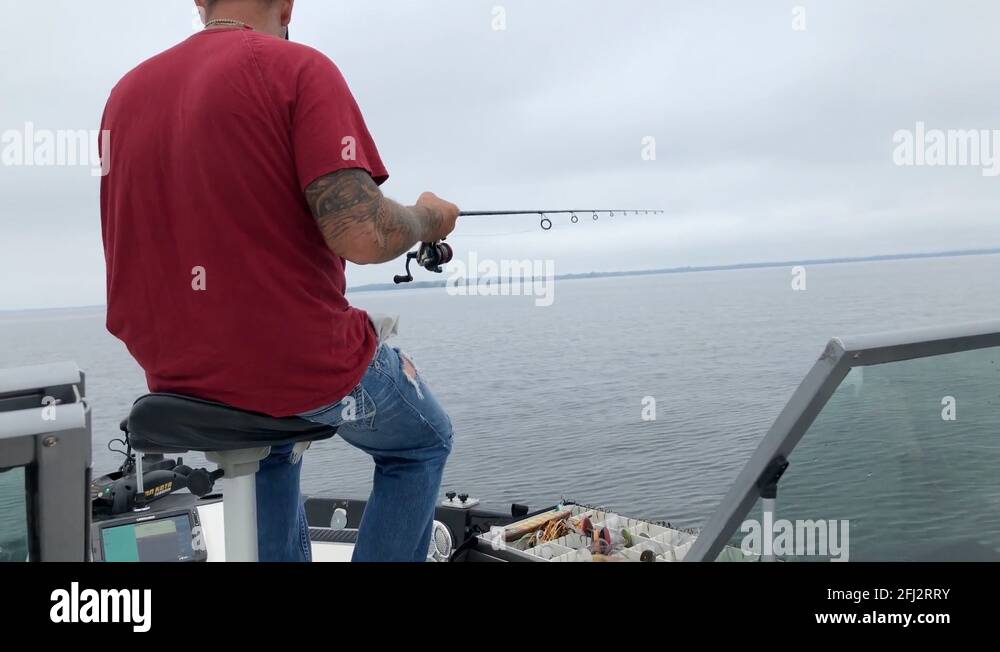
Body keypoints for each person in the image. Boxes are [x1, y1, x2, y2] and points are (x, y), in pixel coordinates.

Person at [99, 0, 459, 562]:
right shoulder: (298, 68)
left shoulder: (125, 94)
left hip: (176, 374)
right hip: (296, 366)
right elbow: (362, 232)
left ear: (200, 2)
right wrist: (428, 217)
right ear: (287, 4)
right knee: (422, 441)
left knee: (271, 445)